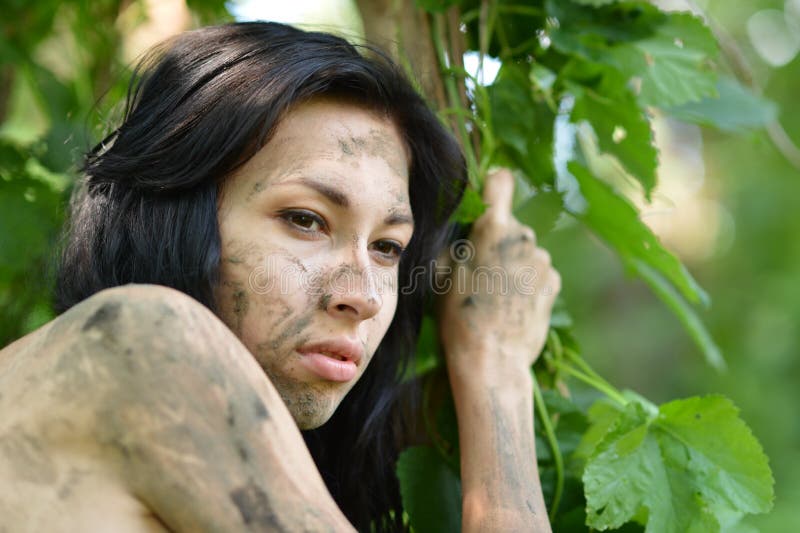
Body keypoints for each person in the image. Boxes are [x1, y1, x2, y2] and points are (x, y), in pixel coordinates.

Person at [0, 21, 559, 532]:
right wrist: (494, 361)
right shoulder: (145, 342)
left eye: (388, 247)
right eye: (305, 220)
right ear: (173, 217)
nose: (363, 297)